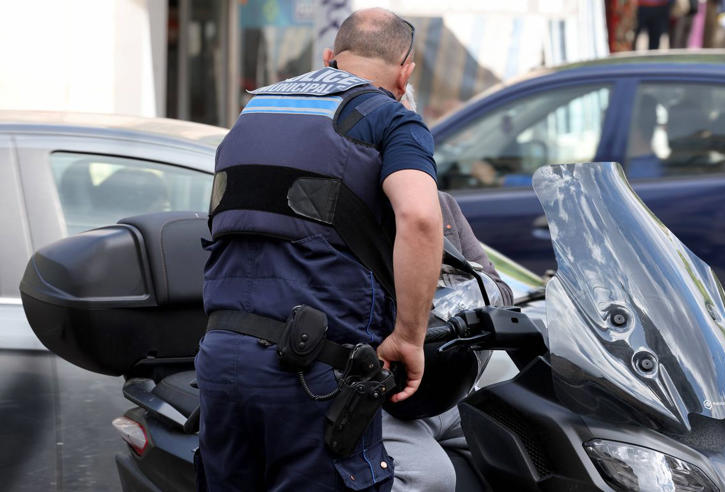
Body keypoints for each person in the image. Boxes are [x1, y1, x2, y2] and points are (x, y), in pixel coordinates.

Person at [196, 8, 443, 491]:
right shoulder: (393, 119)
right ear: (404, 71)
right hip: (312, 369)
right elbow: (420, 218)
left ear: (330, 58)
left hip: (220, 355)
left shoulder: (255, 112)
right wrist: (409, 338)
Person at [385, 85, 514, 492]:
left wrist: (445, 292)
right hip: (388, 395)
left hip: (452, 387)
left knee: (526, 445)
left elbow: (497, 290)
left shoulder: (441, 204)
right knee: (431, 477)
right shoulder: (352, 211)